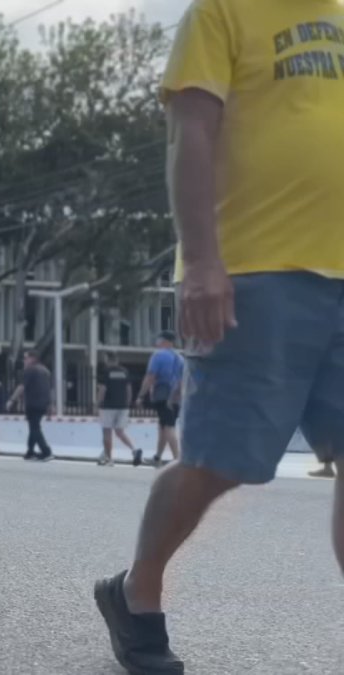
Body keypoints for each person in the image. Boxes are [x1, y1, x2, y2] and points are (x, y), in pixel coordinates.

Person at [94, 3, 344, 671]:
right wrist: (203, 261)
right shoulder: (223, 10)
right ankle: (136, 590)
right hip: (256, 273)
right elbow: (191, 133)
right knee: (217, 463)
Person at [136, 331, 184, 467]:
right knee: (163, 425)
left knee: (168, 426)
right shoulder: (180, 358)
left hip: (162, 393)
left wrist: (141, 395)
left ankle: (177, 459)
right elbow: (183, 380)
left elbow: (150, 376)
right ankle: (158, 457)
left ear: (164, 341)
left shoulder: (158, 355)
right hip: (177, 396)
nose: (157, 342)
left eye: (159, 339)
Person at [97, 353, 141, 467]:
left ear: (107, 360)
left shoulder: (106, 372)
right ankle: (134, 450)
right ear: (117, 360)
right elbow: (128, 388)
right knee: (120, 432)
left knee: (107, 432)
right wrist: (128, 402)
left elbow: (102, 389)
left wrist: (98, 403)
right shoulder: (124, 372)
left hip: (108, 406)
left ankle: (109, 459)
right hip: (123, 406)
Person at [8, 350, 53, 461]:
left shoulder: (30, 370)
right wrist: (50, 405)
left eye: (26, 358)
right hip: (43, 403)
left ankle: (46, 451)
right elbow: (49, 389)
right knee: (33, 427)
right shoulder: (46, 371)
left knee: (35, 428)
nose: (24, 360)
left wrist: (12, 400)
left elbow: (22, 387)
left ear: (33, 358)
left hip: (33, 403)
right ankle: (30, 451)